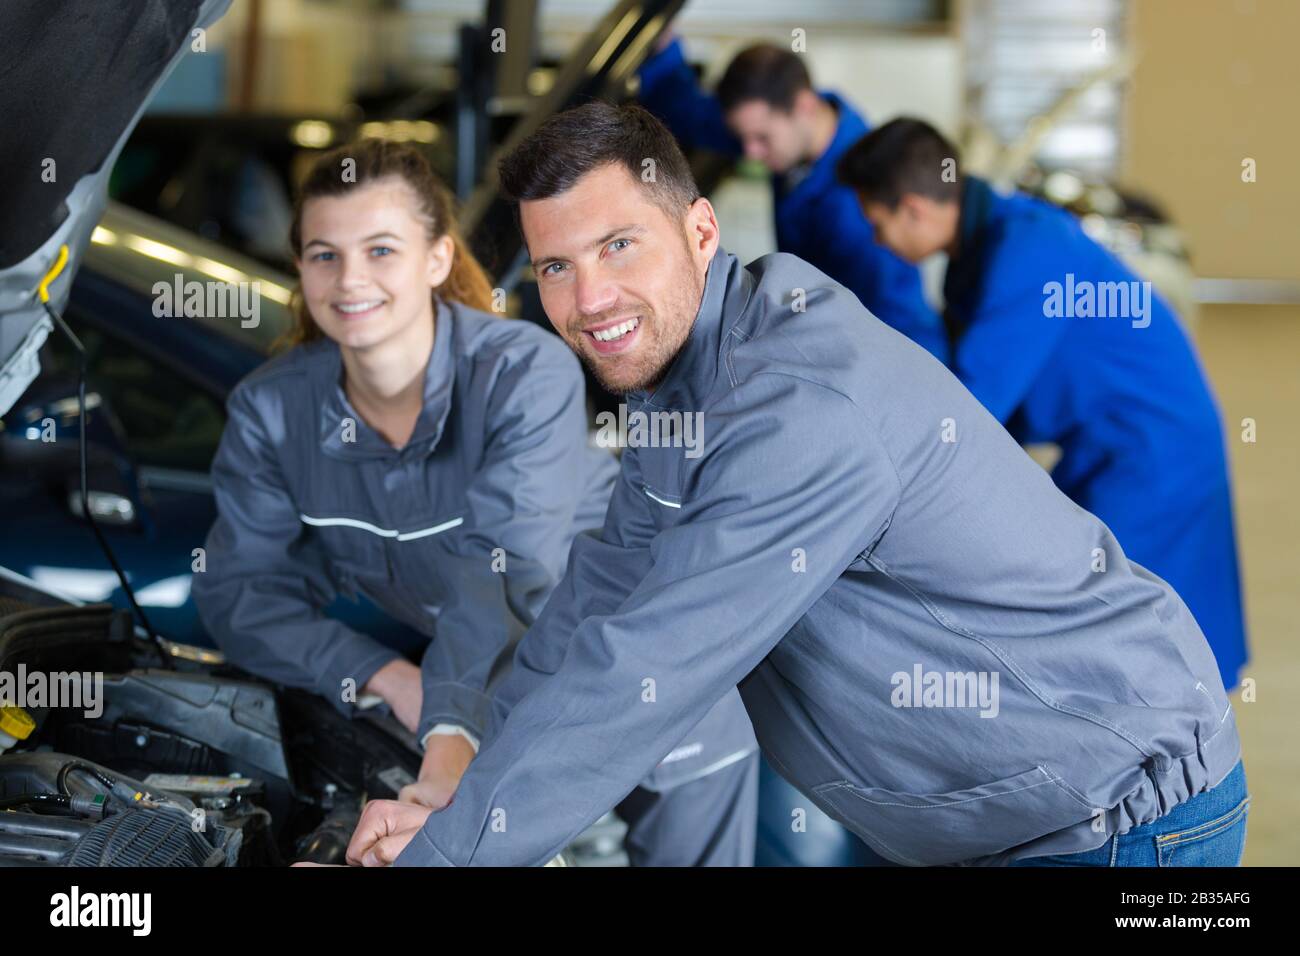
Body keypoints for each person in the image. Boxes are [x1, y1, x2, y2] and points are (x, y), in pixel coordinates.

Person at [344, 104, 1247, 869]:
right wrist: (460, 790)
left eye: (619, 246)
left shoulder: (795, 408)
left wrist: (446, 856)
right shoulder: (687, 377)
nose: (590, 299)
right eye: (555, 268)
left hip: (1121, 814)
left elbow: (648, 665)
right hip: (1002, 811)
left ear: (702, 232)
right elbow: (597, 607)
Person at [192, 138, 759, 866]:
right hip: (498, 715)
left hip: (661, 706)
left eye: (382, 250)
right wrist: (389, 676)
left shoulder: (521, 374)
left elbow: (495, 572)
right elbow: (241, 592)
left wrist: (450, 733)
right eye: (324, 254)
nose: (350, 278)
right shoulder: (273, 410)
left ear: (435, 258)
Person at [836, 118, 1248, 692]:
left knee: (1130, 632)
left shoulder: (1026, 251)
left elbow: (971, 408)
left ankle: (1182, 766)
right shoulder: (984, 247)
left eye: (876, 225)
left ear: (913, 209)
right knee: (1101, 617)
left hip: (1153, 449)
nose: (877, 243)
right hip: (1107, 440)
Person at [636, 30, 945, 358]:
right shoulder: (782, 130)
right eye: (744, 139)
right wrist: (663, 48)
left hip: (889, 355)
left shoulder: (860, 207)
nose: (750, 153)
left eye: (762, 139)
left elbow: (887, 328)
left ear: (804, 107)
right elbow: (692, 115)